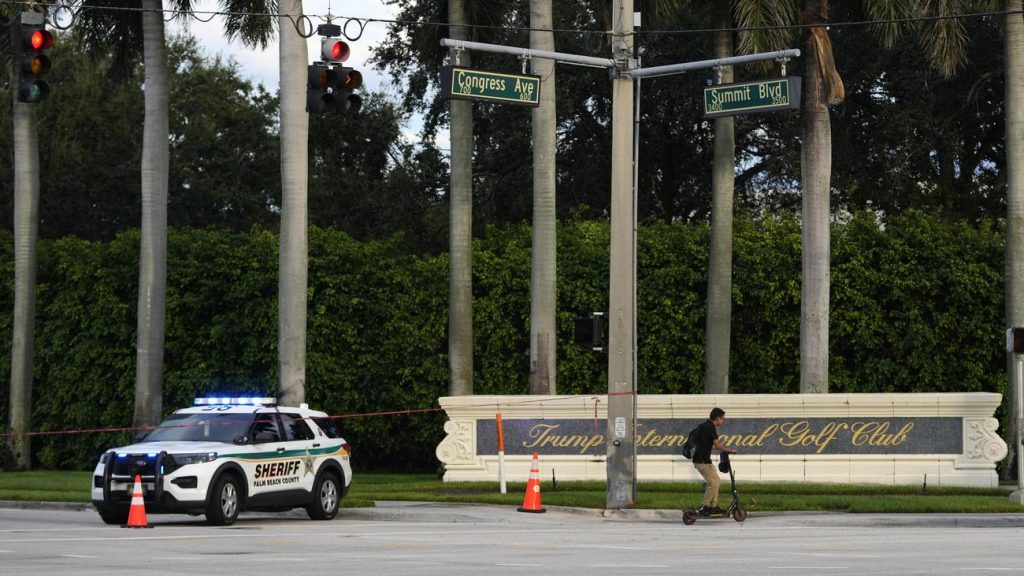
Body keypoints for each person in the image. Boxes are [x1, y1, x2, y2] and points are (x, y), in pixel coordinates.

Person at [691, 407, 737, 516]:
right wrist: (730, 450)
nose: (723, 421)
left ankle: (713, 506)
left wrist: (725, 449)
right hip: (702, 461)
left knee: (716, 480)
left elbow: (709, 445)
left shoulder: (705, 425)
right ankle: (705, 506)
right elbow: (717, 445)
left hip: (704, 460)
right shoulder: (710, 427)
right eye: (723, 419)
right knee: (714, 482)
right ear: (717, 418)